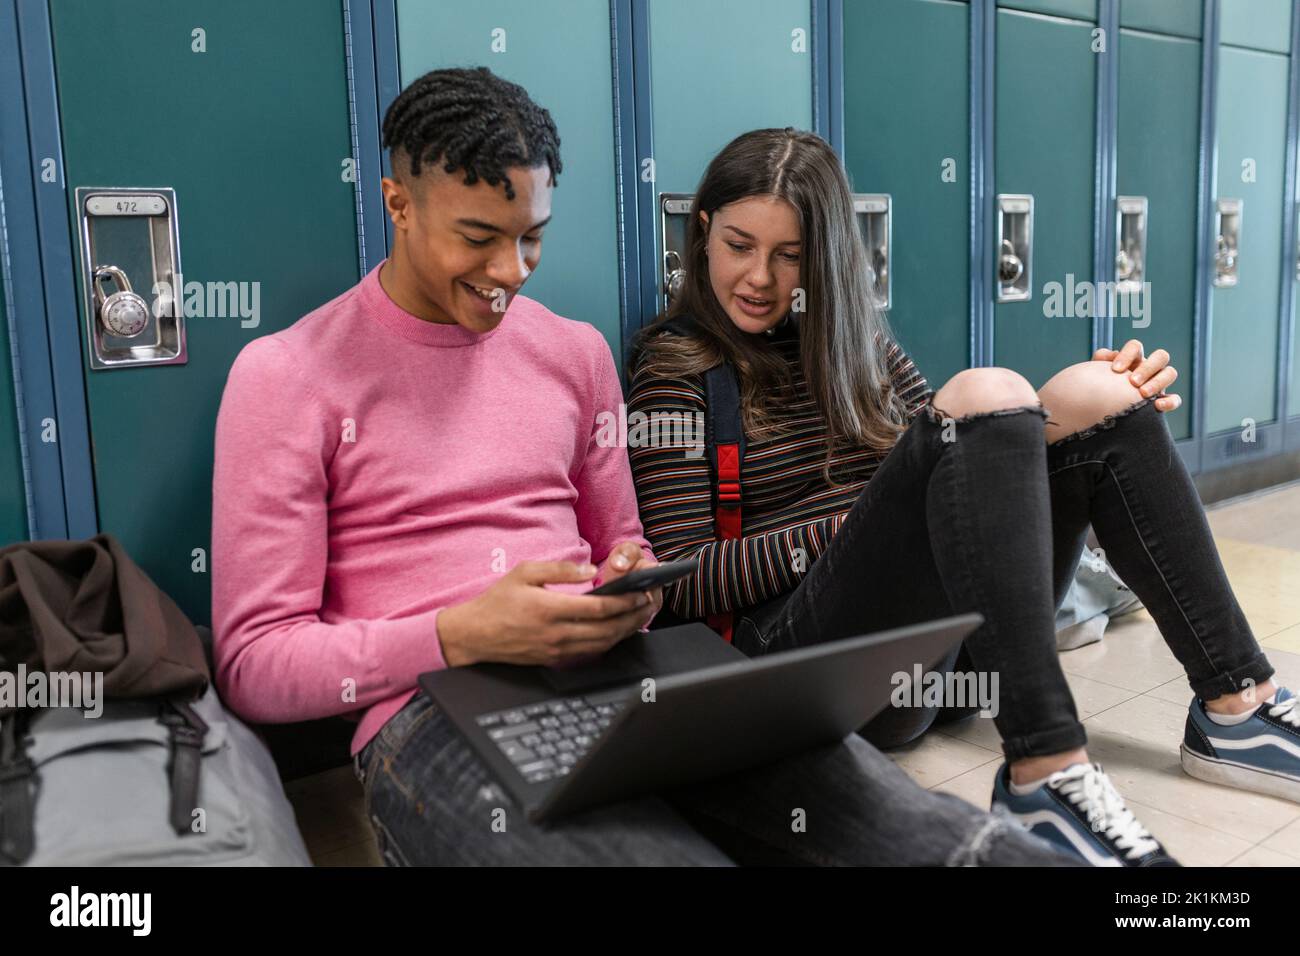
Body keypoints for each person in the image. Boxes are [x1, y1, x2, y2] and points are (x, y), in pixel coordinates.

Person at [209, 67, 1071, 866]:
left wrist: (631, 588)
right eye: (478, 238)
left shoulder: (573, 355)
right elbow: (254, 664)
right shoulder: (287, 377)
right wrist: (458, 633)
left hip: (640, 685)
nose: (509, 274)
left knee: (937, 839)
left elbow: (631, 550)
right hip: (436, 712)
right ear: (397, 205)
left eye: (531, 238)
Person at [627, 126, 1295, 867]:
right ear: (702, 234)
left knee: (1092, 393)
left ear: (825, 260)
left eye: (789, 256)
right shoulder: (674, 369)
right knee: (989, 390)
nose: (759, 277)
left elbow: (967, 449)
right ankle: (1045, 768)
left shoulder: (856, 344)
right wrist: (851, 530)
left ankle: (1240, 705)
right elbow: (680, 578)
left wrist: (1097, 408)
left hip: (947, 671)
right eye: (739, 246)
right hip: (809, 673)